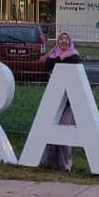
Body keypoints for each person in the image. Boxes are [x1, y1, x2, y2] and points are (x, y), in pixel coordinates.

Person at [39, 31, 82, 171]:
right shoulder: (53, 55)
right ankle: (51, 163)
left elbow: (75, 61)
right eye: (61, 39)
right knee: (50, 129)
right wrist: (62, 56)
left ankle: (65, 164)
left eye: (66, 39)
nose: (63, 41)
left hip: (69, 100)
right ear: (57, 42)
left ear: (70, 42)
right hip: (54, 100)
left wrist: (61, 58)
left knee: (64, 128)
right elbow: (48, 65)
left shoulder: (74, 55)